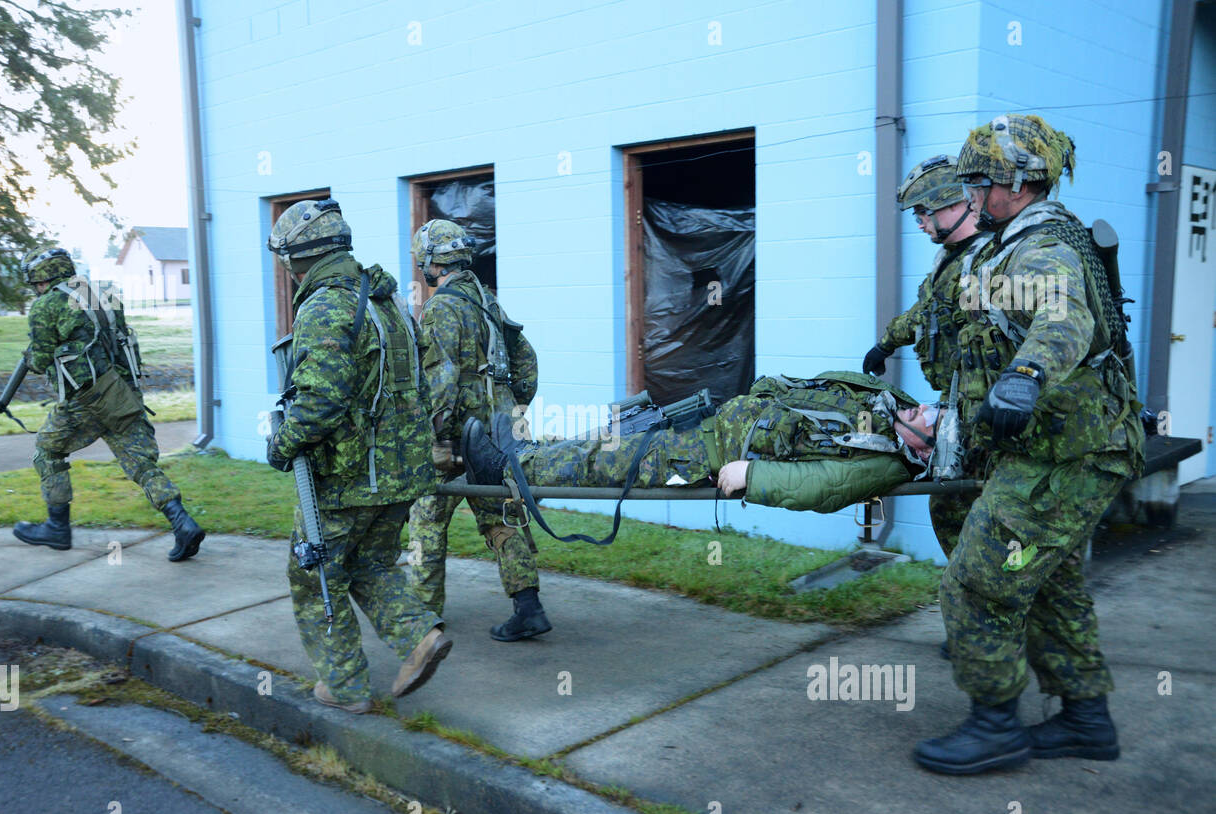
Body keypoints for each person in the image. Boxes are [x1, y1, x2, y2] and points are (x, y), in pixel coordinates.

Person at [913, 114, 1144, 775]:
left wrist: (1026, 376)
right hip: (1069, 446)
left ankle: (995, 725)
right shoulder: (1009, 244)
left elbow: (1062, 315)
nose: (969, 195)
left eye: (977, 182)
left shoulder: (1041, 248)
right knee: (1051, 583)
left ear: (1014, 184)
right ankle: (1086, 719)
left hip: (1067, 455)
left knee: (977, 581)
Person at [265, 199, 451, 713]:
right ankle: (420, 638)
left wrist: (281, 445)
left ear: (294, 257)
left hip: (347, 477)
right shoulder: (383, 300)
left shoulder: (326, 305)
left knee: (315, 575)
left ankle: (344, 687)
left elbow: (321, 400)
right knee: (370, 566)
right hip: (398, 473)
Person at [460, 371, 942, 512]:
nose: (924, 409)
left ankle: (504, 469)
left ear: (924, 450)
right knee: (612, 432)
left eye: (933, 421)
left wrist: (751, 475)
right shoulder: (888, 406)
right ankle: (525, 452)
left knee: (603, 459)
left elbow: (821, 486)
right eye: (931, 406)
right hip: (711, 420)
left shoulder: (883, 462)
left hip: (700, 456)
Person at [405, 219, 551, 642]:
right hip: (499, 434)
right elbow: (527, 363)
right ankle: (528, 607)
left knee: (427, 515)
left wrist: (433, 438)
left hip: (457, 437)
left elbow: (442, 381)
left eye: (423, 262)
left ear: (432, 262)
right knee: (501, 514)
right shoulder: (489, 302)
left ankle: (422, 618)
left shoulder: (441, 308)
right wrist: (510, 409)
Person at [12, 246, 205, 562]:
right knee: (141, 464)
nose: (35, 288)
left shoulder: (46, 306)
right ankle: (183, 523)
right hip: (122, 394)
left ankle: (57, 529)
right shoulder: (104, 292)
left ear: (40, 276)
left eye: (34, 282)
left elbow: (41, 357)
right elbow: (115, 338)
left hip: (84, 400)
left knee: (47, 451)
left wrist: (31, 355)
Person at [863, 156, 993, 572]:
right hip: (959, 407)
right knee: (954, 509)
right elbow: (925, 313)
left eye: (923, 212)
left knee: (962, 511)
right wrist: (885, 345)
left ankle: (982, 613)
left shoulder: (989, 262)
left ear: (951, 205)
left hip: (987, 411)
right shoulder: (950, 260)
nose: (918, 222)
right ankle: (980, 608)